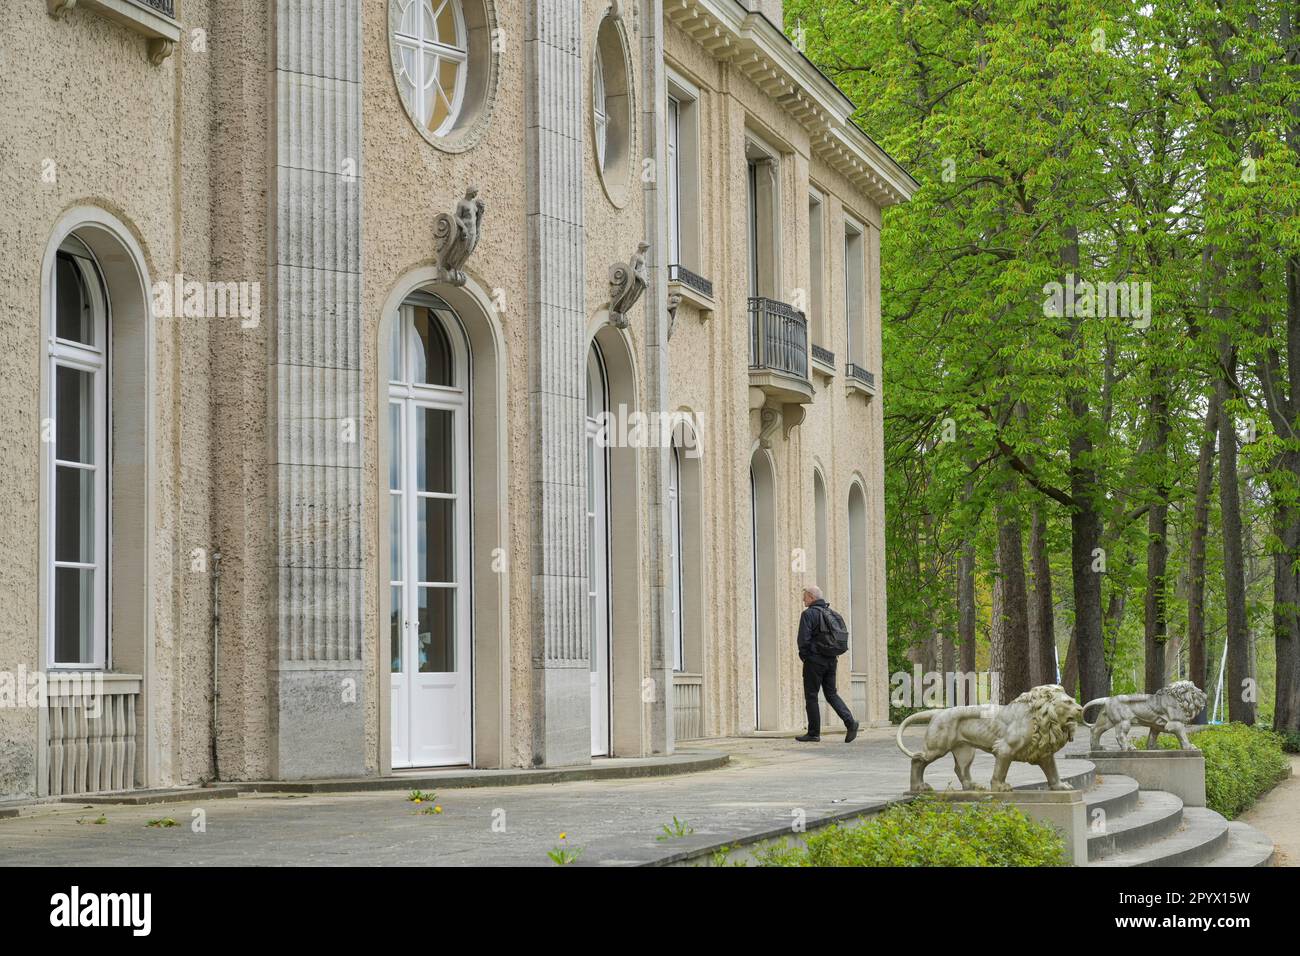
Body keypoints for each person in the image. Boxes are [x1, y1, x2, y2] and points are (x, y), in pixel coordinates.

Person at [795, 585, 859, 743]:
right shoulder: (832, 613)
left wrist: (806, 657)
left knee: (811, 696)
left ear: (811, 597)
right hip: (831, 659)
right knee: (831, 694)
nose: (803, 599)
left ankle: (813, 733)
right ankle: (850, 722)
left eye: (805, 596)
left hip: (815, 660)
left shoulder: (808, 614)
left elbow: (803, 639)